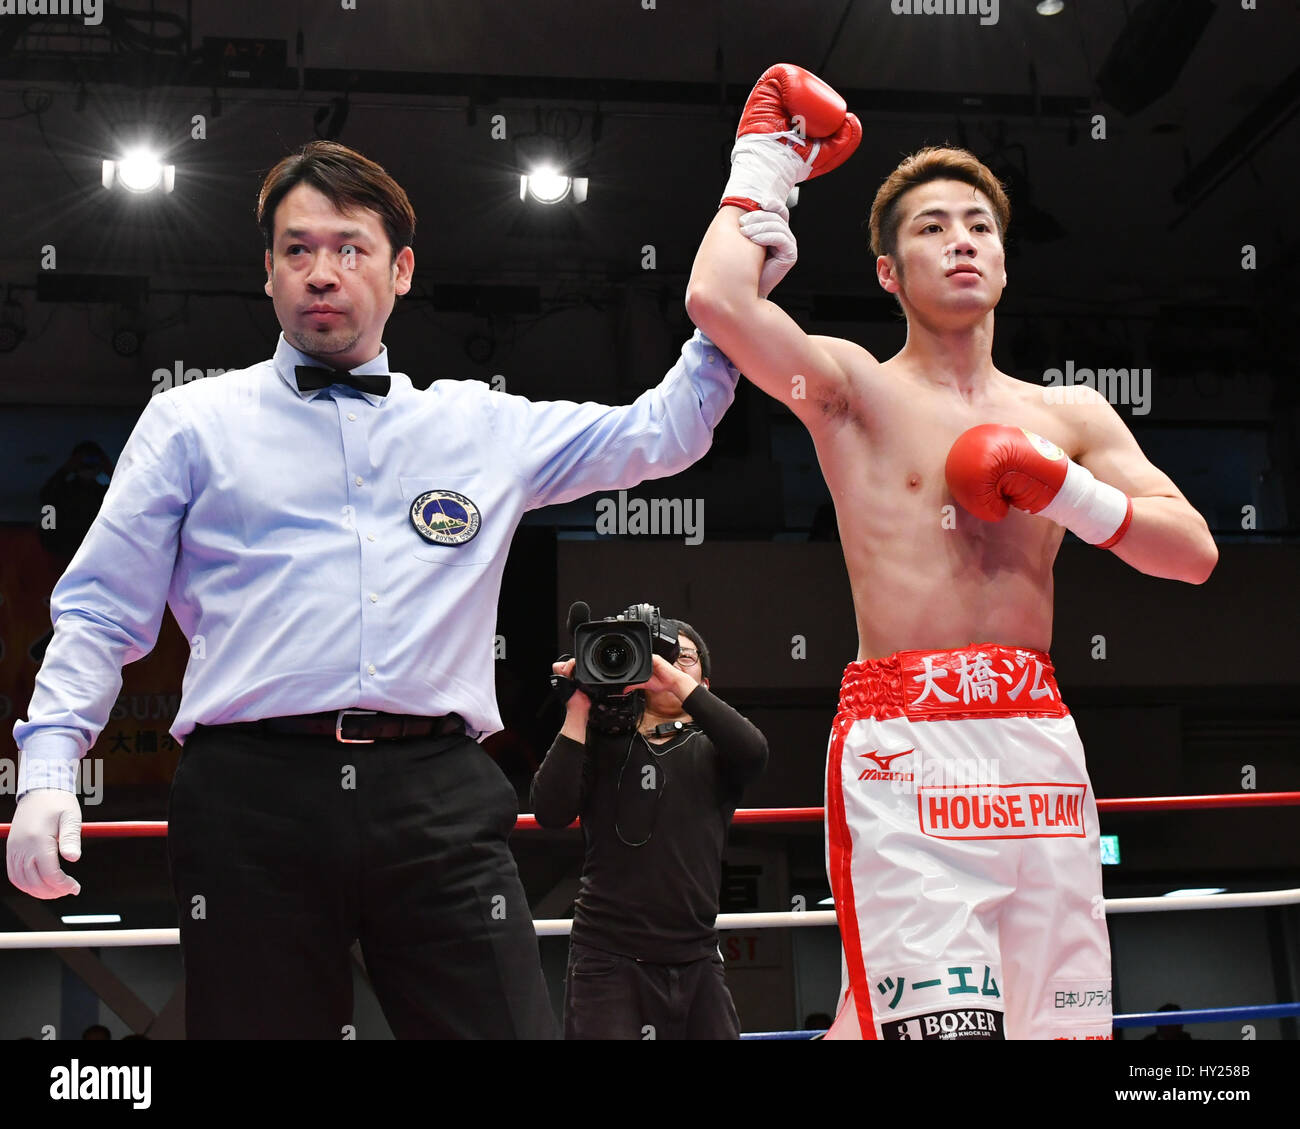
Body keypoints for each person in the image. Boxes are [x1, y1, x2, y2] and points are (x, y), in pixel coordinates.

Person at [6, 140, 742, 1040]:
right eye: (298, 249)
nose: (322, 271)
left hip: (439, 794)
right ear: (268, 274)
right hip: (250, 799)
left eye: (349, 248)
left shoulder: (480, 423)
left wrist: (739, 260)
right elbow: (99, 609)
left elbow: (664, 433)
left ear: (399, 271)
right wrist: (48, 772)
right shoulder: (191, 423)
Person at [685, 65, 1218, 1040]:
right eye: (929, 228)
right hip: (906, 747)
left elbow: (1191, 556)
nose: (959, 239)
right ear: (888, 272)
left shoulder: (1069, 416)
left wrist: (1068, 489)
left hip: (1037, 742)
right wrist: (765, 162)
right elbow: (718, 300)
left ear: (1005, 259)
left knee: (1058, 1032)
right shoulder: (854, 392)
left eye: (976, 223)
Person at [530, 620, 767, 1039]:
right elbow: (550, 811)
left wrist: (669, 674)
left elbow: (754, 751)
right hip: (606, 957)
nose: (667, 663)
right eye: (655, 655)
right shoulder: (603, 741)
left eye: (684, 658)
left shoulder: (715, 750)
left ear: (704, 684)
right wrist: (579, 708)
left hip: (696, 955)